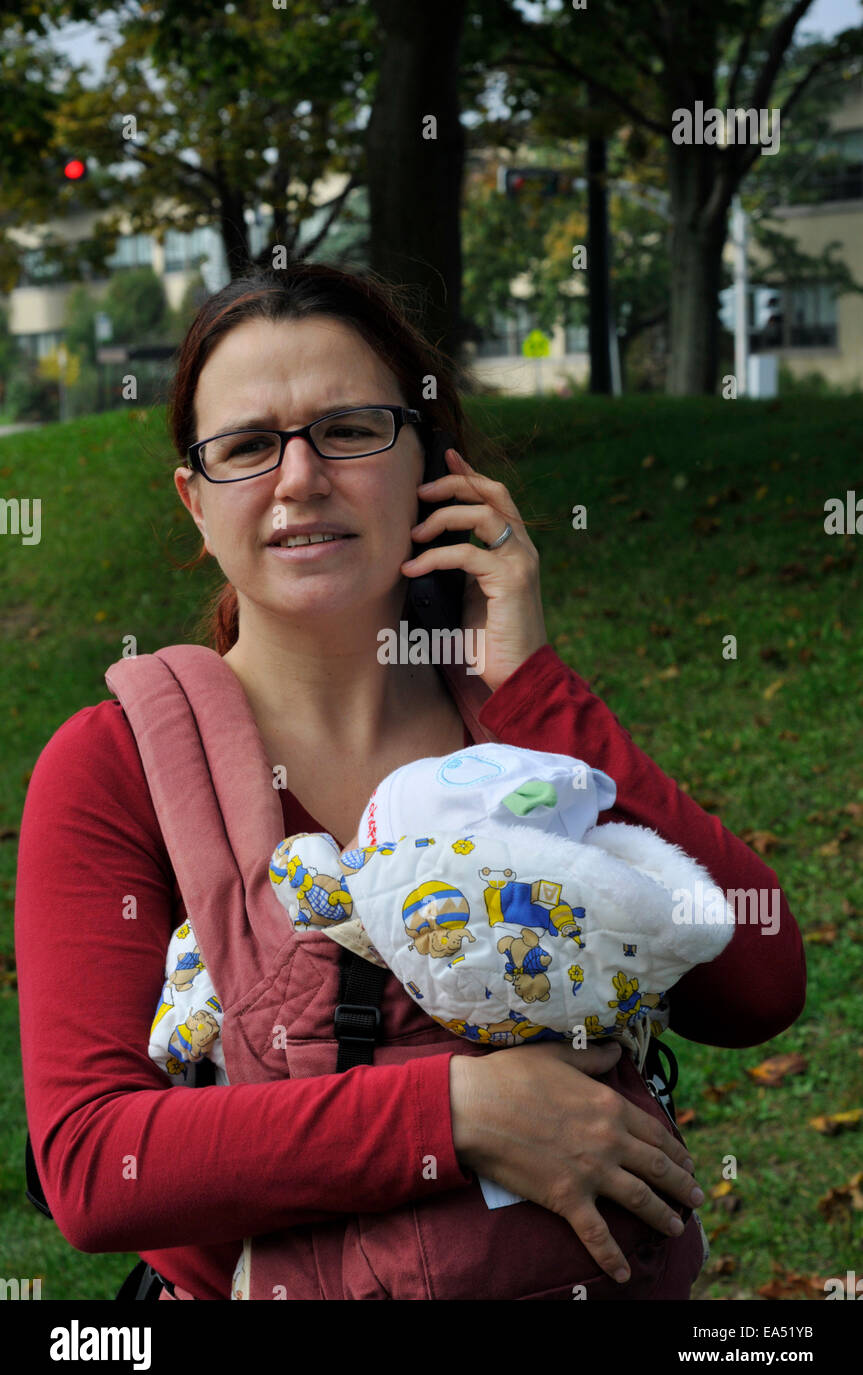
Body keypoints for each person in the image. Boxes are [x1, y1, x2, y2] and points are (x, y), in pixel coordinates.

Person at [15, 261, 806, 1301]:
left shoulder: (514, 732)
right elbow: (93, 1163)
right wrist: (461, 1116)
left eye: (348, 430)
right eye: (248, 447)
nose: (299, 479)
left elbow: (754, 983)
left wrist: (536, 689)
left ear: (430, 463)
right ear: (193, 503)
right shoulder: (116, 763)